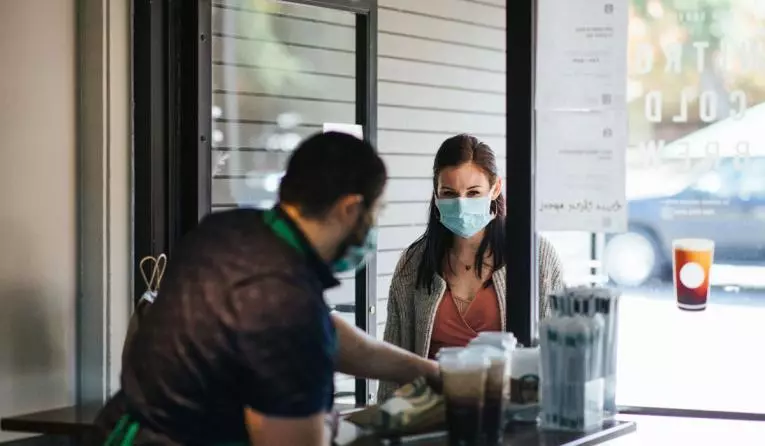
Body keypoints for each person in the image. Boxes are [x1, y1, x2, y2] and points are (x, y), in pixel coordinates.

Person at [104, 132, 438, 446]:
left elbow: (326, 337)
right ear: (349, 209)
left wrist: (426, 371)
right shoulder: (287, 303)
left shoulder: (227, 231)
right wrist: (334, 427)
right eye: (377, 212)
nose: (374, 227)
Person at [377, 134, 565, 401]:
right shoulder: (414, 263)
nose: (461, 204)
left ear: (495, 189)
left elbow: (556, 354)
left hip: (513, 420)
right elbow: (393, 362)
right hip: (428, 424)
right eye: (449, 193)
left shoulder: (536, 256)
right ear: (436, 194)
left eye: (474, 193)